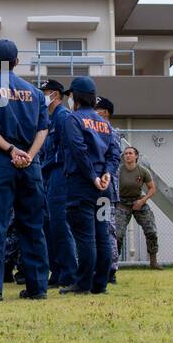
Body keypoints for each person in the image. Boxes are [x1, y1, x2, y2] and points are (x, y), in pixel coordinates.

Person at [0, 39, 50, 301]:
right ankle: (37, 287)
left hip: (2, 162)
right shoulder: (36, 93)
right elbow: (43, 128)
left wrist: (11, 151)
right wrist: (29, 156)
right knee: (33, 225)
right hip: (31, 163)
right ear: (17, 61)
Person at [59, 76, 115, 294]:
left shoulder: (72, 120)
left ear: (77, 96)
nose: (69, 99)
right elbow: (113, 153)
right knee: (101, 234)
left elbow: (78, 150)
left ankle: (83, 284)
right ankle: (100, 284)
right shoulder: (104, 123)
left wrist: (92, 176)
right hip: (103, 188)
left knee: (85, 236)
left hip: (82, 185)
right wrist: (106, 174)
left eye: (71, 95)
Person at [42, 78, 77, 289]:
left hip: (60, 174)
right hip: (49, 175)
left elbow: (68, 149)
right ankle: (56, 271)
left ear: (54, 95)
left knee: (60, 225)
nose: (42, 97)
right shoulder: (50, 119)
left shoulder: (63, 117)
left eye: (45, 92)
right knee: (49, 226)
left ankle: (69, 273)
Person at [115, 145, 160, 270]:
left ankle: (153, 261)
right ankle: (113, 263)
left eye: (130, 153)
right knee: (117, 235)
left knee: (151, 230)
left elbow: (152, 189)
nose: (127, 155)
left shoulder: (143, 171)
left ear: (136, 156)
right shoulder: (118, 171)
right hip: (122, 204)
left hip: (139, 201)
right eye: (125, 154)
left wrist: (142, 201)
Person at [95, 97, 122, 284]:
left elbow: (112, 159)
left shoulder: (110, 132)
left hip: (107, 190)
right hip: (97, 187)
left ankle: (110, 270)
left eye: (97, 110)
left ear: (105, 113)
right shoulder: (96, 130)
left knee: (107, 229)